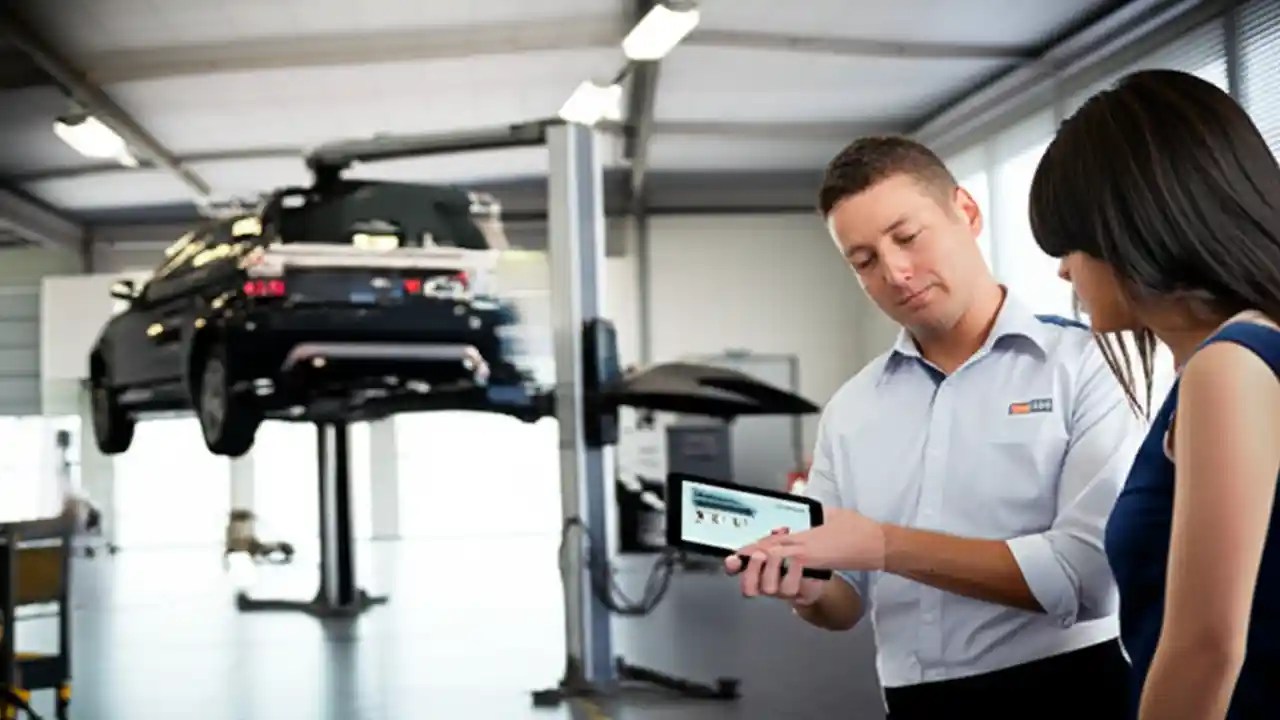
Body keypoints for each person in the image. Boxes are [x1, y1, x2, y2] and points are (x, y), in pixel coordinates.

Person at [725, 135, 1146, 719]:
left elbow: (1089, 578)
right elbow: (845, 602)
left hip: (1073, 691)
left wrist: (883, 546)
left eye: (907, 237)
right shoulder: (852, 409)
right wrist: (809, 589)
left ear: (966, 212)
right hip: (914, 702)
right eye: (864, 261)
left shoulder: (1088, 366)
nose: (895, 273)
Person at [1028, 69, 1280, 720]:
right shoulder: (1231, 360)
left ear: (1132, 230)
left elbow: (1205, 649)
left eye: (1071, 245)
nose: (1064, 271)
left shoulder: (1231, 366)